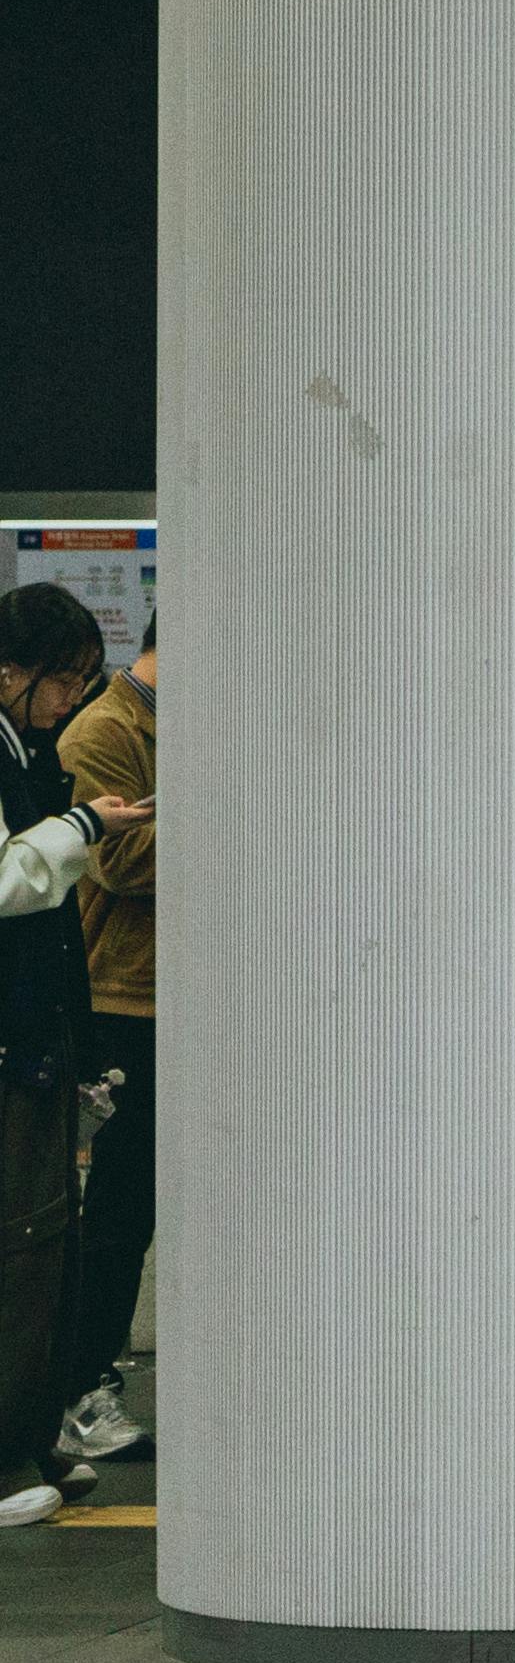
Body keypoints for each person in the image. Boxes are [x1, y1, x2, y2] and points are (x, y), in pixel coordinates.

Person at [0, 587, 129, 1539]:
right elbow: (6, 878)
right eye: (65, 681)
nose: (70, 702)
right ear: (14, 669)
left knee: (44, 1241)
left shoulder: (25, 747)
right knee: (16, 1245)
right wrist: (82, 830)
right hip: (12, 1035)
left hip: (36, 1036)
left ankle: (30, 1436)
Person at [48, 637, 149, 1487]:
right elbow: (115, 859)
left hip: (176, 997)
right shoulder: (103, 731)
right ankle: (77, 1388)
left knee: (137, 1205)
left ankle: (86, 1382)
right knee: (115, 1209)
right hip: (121, 1003)